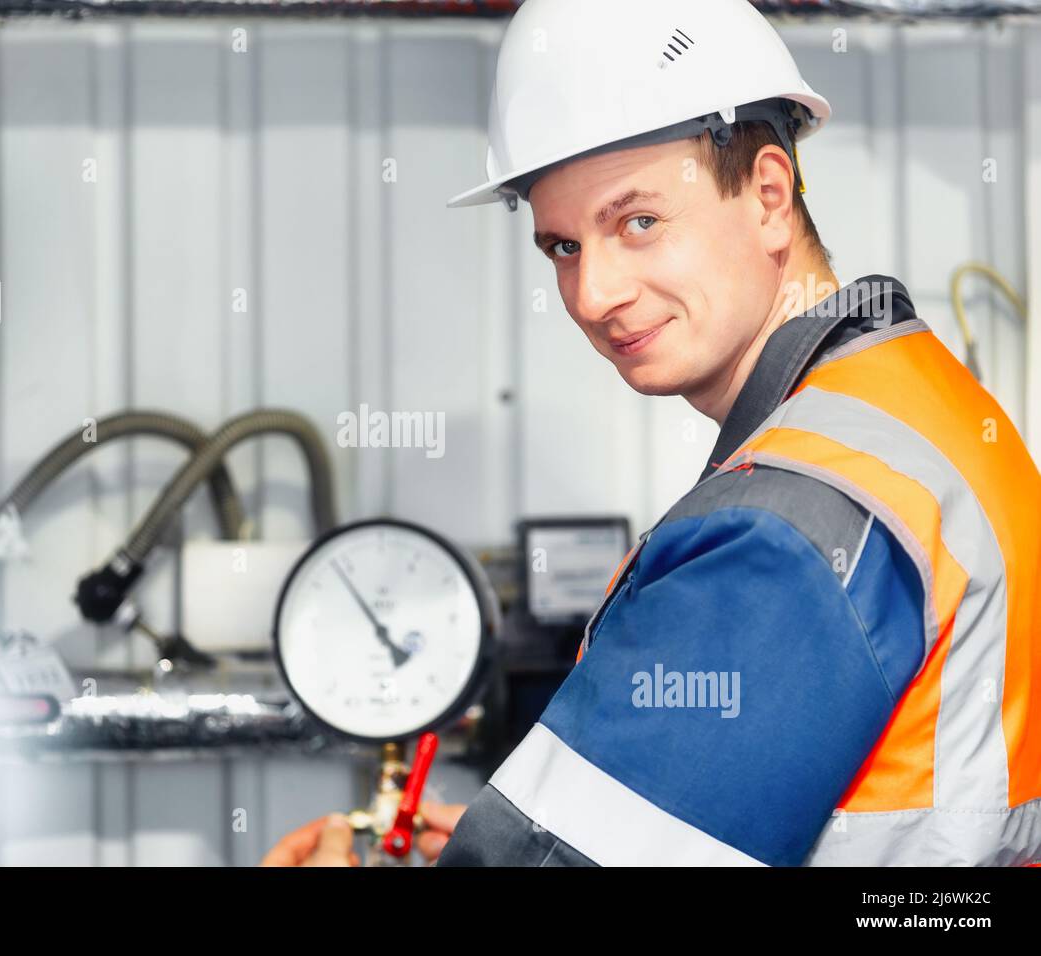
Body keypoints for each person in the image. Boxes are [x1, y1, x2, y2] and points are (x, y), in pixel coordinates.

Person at [264, 0, 1041, 867]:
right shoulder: (918, 401)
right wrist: (528, 836)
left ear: (770, 197)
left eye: (638, 222)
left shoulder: (785, 528)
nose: (594, 295)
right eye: (561, 246)